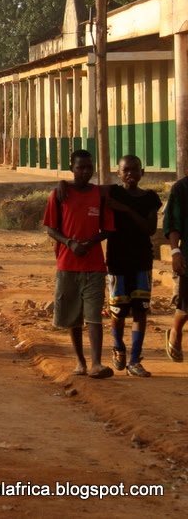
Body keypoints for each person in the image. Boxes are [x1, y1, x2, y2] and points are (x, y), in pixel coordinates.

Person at [43, 149, 115, 378]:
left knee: (94, 315)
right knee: (73, 316)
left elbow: (107, 229)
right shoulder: (59, 194)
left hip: (94, 264)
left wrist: (91, 242)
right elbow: (50, 228)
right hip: (67, 263)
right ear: (72, 169)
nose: (84, 172)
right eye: (80, 167)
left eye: (88, 167)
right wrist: (70, 243)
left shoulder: (100, 195)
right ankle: (80, 361)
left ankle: (96, 363)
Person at [97, 155, 161, 377]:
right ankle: (118, 347)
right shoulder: (112, 192)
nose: (131, 174)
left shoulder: (150, 198)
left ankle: (135, 360)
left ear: (142, 172)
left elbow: (149, 229)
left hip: (142, 261)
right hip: (117, 261)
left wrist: (126, 210)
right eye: (126, 170)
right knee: (117, 310)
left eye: (135, 170)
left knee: (140, 311)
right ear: (119, 173)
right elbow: (88, 188)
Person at [163, 166, 188, 363]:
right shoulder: (182, 188)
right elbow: (172, 222)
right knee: (186, 306)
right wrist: (175, 251)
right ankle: (175, 331)